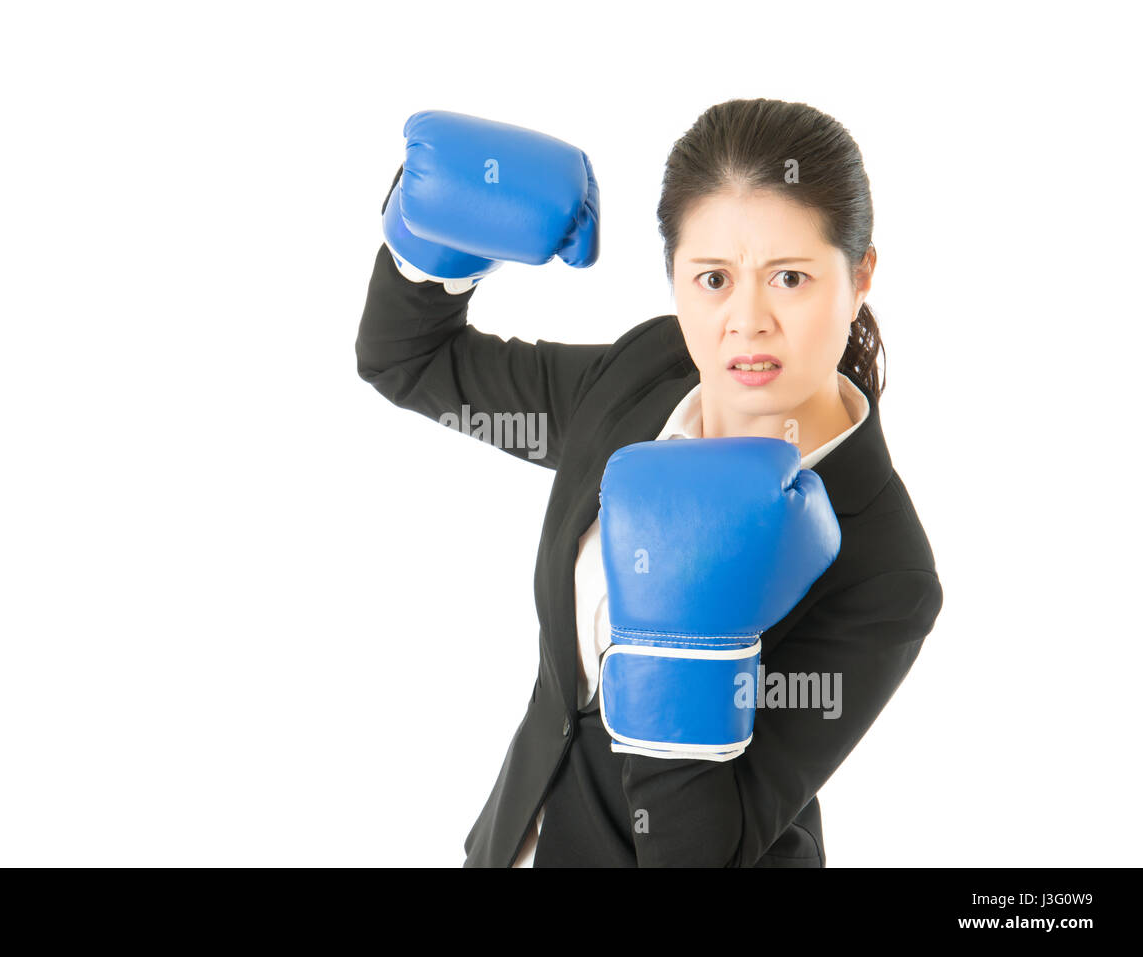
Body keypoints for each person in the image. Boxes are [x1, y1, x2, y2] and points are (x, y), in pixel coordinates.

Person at [356, 98, 943, 867]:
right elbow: (412, 362)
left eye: (790, 277)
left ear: (860, 273)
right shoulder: (648, 372)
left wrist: (684, 649)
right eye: (712, 278)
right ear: (674, 276)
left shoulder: (883, 568)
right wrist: (428, 232)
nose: (747, 320)